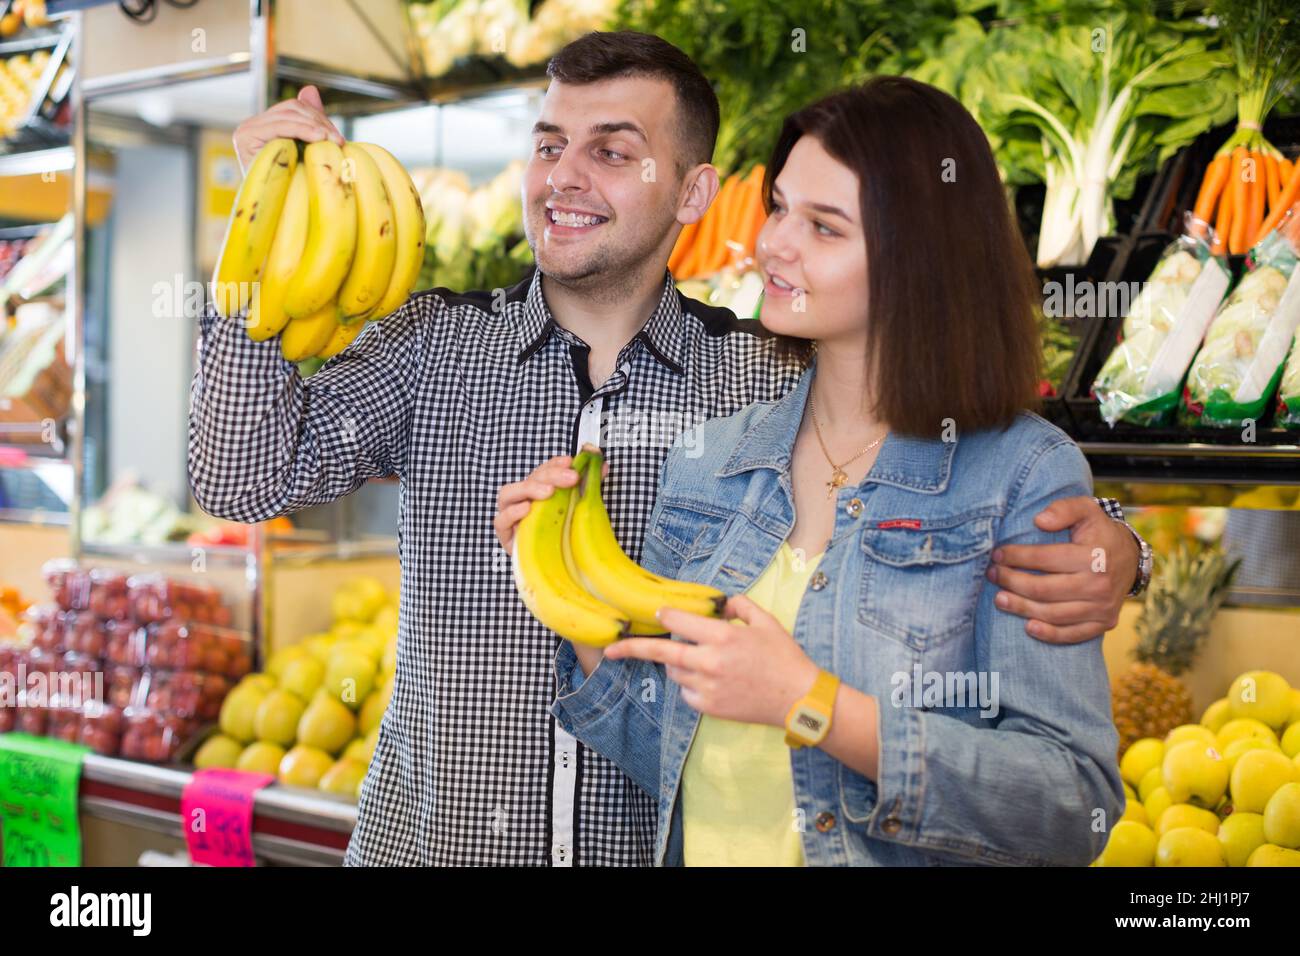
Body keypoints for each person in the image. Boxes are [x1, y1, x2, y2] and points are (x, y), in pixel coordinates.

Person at [193, 32, 1143, 867]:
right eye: (550, 146)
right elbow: (235, 476)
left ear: (692, 192)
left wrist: (1114, 544)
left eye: (612, 152)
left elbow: (937, 453)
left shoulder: (759, 382)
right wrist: (256, 220)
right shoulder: (429, 346)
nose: (565, 177)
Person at [504, 77, 1126, 866]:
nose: (773, 245)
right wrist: (570, 603)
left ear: (922, 261)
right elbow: (669, 753)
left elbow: (1071, 808)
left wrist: (810, 704)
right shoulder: (711, 460)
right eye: (779, 207)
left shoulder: (1018, 475)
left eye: (824, 228)